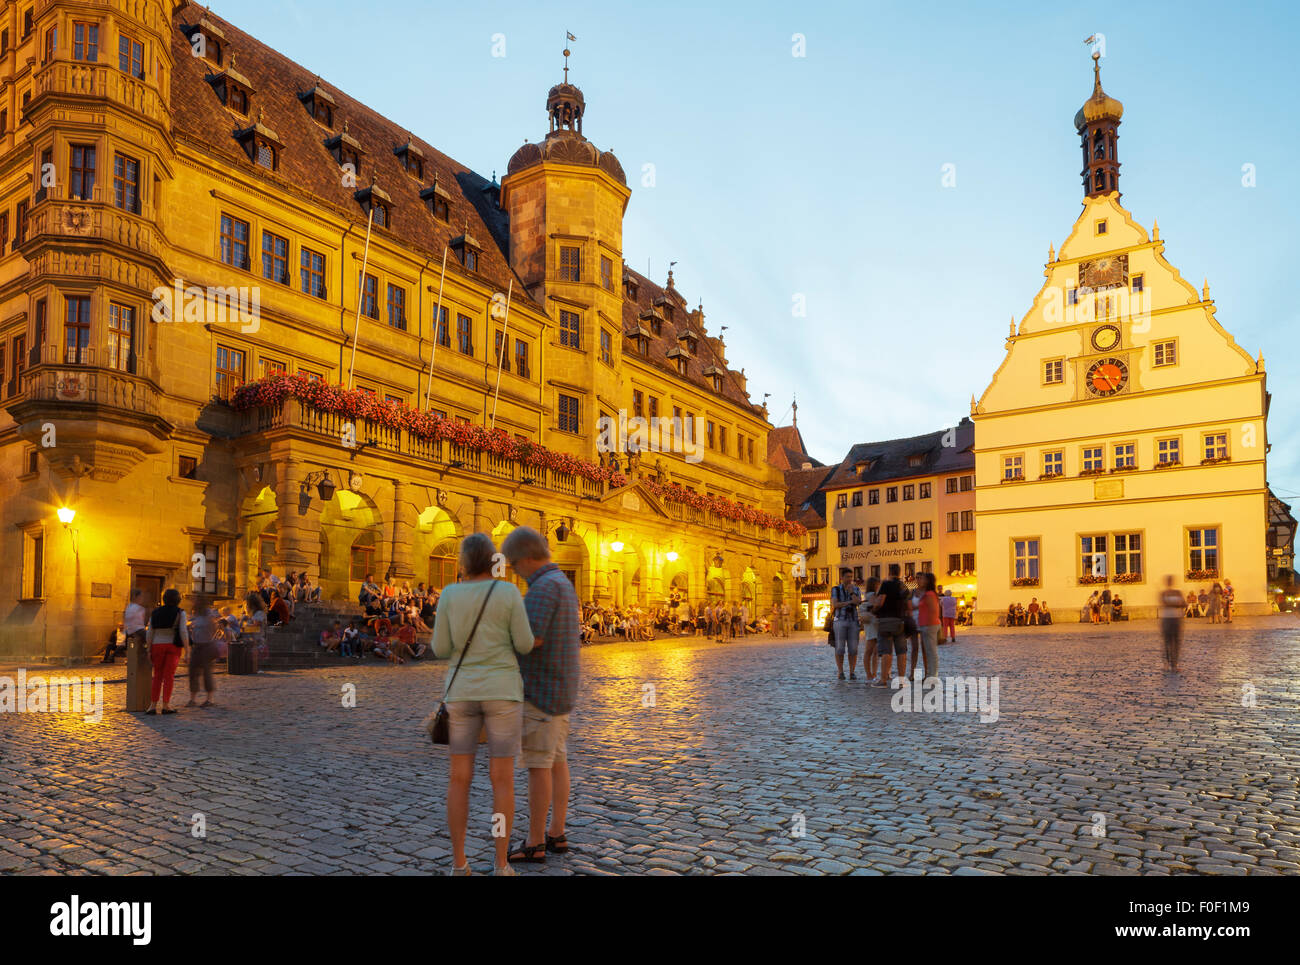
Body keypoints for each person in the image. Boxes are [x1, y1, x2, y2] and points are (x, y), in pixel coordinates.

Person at [434, 532, 535, 876]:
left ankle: (459, 863)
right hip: (502, 693)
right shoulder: (507, 592)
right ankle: (501, 862)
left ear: (464, 562)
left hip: (461, 693)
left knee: (458, 779)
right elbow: (523, 643)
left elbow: (440, 648)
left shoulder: (449, 594)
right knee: (502, 780)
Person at [499, 527, 582, 866]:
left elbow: (529, 639)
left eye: (515, 564)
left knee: (538, 767)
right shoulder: (561, 582)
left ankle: (535, 842)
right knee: (557, 762)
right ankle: (557, 832)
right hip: (561, 689)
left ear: (527, 557)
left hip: (541, 691)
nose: (515, 571)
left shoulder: (543, 588)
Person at [145, 588, 189, 715]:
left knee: (157, 675)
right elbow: (183, 632)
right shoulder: (180, 613)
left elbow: (150, 631)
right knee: (169, 676)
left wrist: (148, 649)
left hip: (157, 645)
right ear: (178, 600)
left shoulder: (155, 612)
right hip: (172, 646)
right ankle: (166, 705)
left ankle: (152, 705)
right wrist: (187, 650)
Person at [871, 565, 910, 687]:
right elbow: (909, 606)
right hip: (900, 621)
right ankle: (902, 681)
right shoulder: (904, 586)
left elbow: (881, 601)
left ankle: (883, 680)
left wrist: (874, 609)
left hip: (886, 620)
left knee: (886, 651)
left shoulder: (886, 584)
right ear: (899, 573)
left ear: (890, 572)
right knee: (901, 651)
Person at [186, 595, 220, 708]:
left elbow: (213, 627)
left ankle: (209, 699)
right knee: (193, 672)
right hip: (197, 646)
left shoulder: (208, 614)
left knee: (207, 673)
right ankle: (192, 699)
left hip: (206, 646)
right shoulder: (195, 614)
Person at [830, 569, 862, 680]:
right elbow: (835, 604)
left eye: (851, 577)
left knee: (853, 649)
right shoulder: (836, 589)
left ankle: (852, 672)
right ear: (842, 578)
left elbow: (858, 602)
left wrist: (852, 592)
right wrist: (849, 602)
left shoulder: (856, 589)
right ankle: (840, 671)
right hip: (840, 620)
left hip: (853, 620)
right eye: (847, 577)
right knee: (840, 648)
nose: (850, 579)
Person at [916, 572, 941, 681]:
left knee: (931, 652)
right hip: (925, 625)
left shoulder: (930, 594)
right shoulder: (927, 594)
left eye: (923, 579)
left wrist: (927, 625)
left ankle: (933, 675)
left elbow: (933, 611)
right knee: (929, 651)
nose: (921, 581)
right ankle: (930, 674)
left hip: (929, 626)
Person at [1158, 575, 1186, 672]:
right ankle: (1166, 663)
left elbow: (1184, 604)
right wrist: (1177, 604)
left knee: (1176, 643)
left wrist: (1178, 604)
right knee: (1167, 643)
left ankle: (1174, 664)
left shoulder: (1177, 592)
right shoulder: (1163, 593)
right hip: (1166, 619)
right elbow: (1164, 603)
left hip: (1176, 619)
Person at [858, 576, 880, 682]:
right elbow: (875, 606)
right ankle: (870, 674)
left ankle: (871, 674)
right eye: (877, 584)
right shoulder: (872, 595)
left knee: (872, 651)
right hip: (873, 623)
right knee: (871, 650)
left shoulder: (868, 595)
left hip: (871, 624)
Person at [118, 588, 148, 665]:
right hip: (138, 631)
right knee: (152, 638)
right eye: (141, 596)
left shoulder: (129, 607)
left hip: (130, 632)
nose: (142, 599)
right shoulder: (139, 608)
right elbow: (139, 622)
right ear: (136, 597)